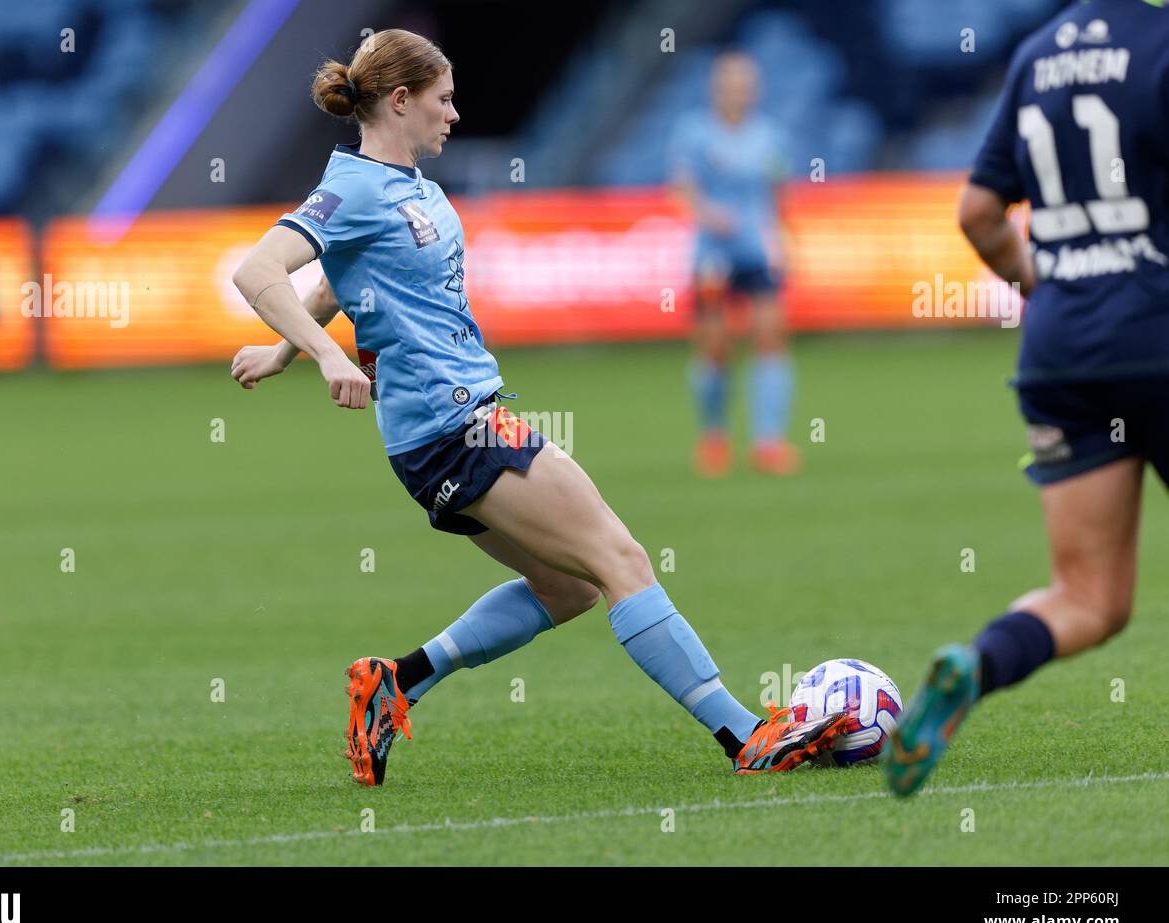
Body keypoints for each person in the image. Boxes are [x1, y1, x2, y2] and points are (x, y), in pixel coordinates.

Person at [230, 29, 847, 787]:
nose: (453, 115)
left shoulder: (414, 190)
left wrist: (283, 349)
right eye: (443, 100)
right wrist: (323, 356)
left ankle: (396, 682)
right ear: (399, 101)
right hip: (459, 427)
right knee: (621, 561)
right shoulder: (353, 187)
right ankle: (747, 737)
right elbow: (257, 269)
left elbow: (335, 284)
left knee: (573, 587)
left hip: (443, 435)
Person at [884, 0, 1169, 796]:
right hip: (1158, 332)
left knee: (1088, 595)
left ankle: (976, 666)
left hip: (1062, 353)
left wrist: (1047, 288)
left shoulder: (1037, 53)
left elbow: (978, 213)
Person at [669, 52, 798, 478]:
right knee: (716, 345)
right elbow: (683, 190)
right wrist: (709, 215)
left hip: (757, 250)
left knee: (770, 338)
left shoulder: (769, 136)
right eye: (731, 84)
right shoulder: (694, 132)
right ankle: (714, 435)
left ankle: (769, 442)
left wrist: (783, 237)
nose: (739, 91)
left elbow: (779, 192)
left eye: (746, 84)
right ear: (716, 88)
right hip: (712, 255)